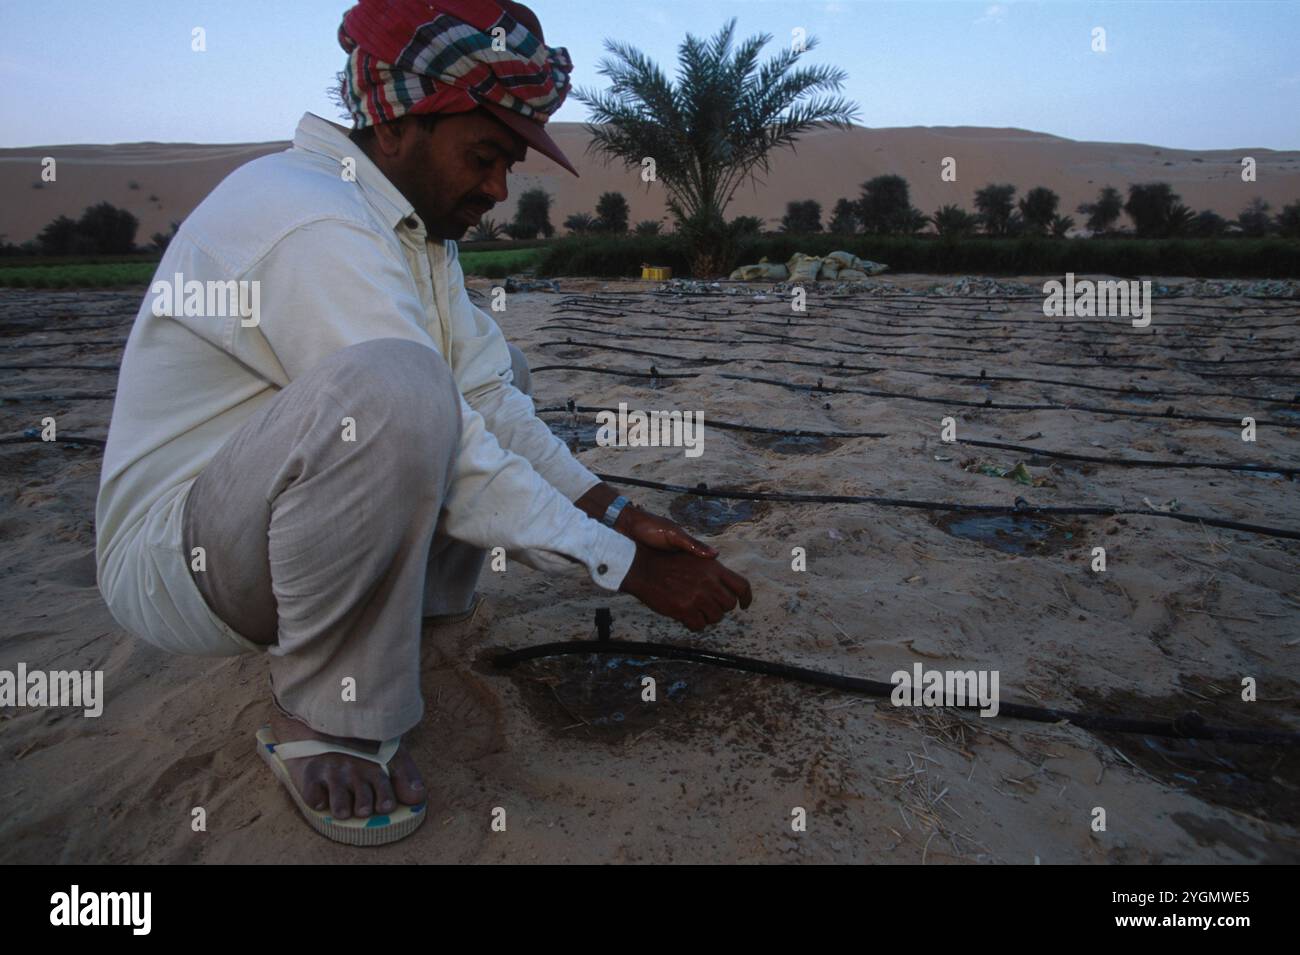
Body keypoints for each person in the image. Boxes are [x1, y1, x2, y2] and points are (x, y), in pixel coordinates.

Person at [94, 0, 751, 845]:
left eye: (507, 165)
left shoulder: (409, 230)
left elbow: (485, 399)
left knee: (485, 368)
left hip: (265, 518)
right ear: (400, 124)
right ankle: (328, 714)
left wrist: (613, 511)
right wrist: (624, 568)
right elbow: (448, 437)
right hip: (184, 556)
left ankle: (416, 615)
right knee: (396, 389)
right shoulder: (312, 218)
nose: (496, 189)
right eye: (485, 156)